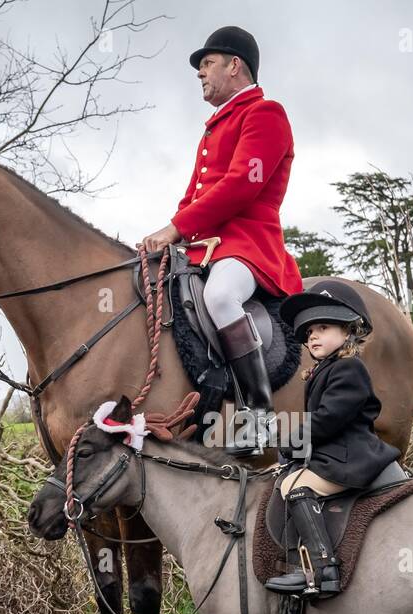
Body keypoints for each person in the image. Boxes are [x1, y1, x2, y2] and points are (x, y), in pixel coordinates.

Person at [137, 26, 303, 457]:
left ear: (234, 65)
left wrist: (175, 227)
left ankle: (259, 415)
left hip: (247, 245)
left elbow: (239, 187)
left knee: (221, 297)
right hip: (203, 247)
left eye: (206, 64)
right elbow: (193, 195)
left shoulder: (266, 113)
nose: (200, 74)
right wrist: (173, 237)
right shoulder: (212, 128)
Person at [264, 280, 401, 598]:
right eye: (310, 331)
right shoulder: (326, 370)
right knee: (285, 481)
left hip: (352, 455)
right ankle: (299, 564)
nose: (313, 335)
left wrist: (292, 441)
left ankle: (324, 572)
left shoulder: (349, 368)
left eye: (322, 327)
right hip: (333, 453)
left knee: (297, 488)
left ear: (348, 331)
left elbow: (329, 418)